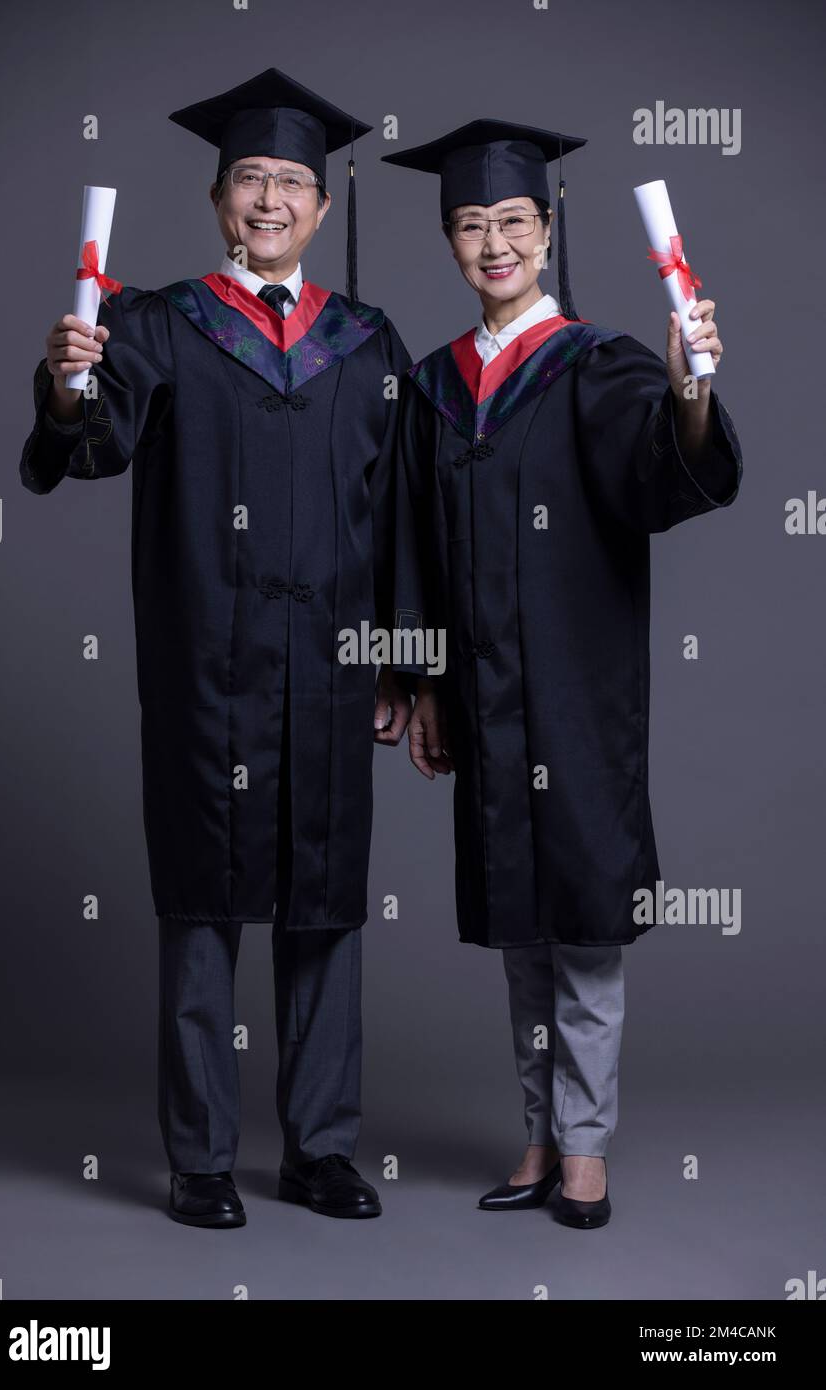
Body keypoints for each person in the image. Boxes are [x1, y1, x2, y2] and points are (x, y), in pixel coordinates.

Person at [19, 68, 414, 1228]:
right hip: (208, 667)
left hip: (334, 667)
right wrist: (65, 387)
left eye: (293, 179)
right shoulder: (157, 324)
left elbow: (394, 514)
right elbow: (89, 447)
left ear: (323, 207)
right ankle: (198, 1155)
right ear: (217, 197)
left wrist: (400, 659)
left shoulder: (366, 340)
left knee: (327, 904)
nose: (273, 197)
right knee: (202, 904)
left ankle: (320, 1148)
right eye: (252, 177)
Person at [383, 119, 743, 1228]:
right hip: (483, 694)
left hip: (578, 698)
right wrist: (424, 679)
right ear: (452, 240)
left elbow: (662, 476)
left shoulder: (601, 363)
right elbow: (410, 545)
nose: (493, 242)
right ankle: (536, 1134)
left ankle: (585, 1146)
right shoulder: (438, 385)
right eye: (471, 224)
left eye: (512, 221)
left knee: (583, 920)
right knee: (519, 925)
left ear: (548, 229)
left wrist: (688, 390)